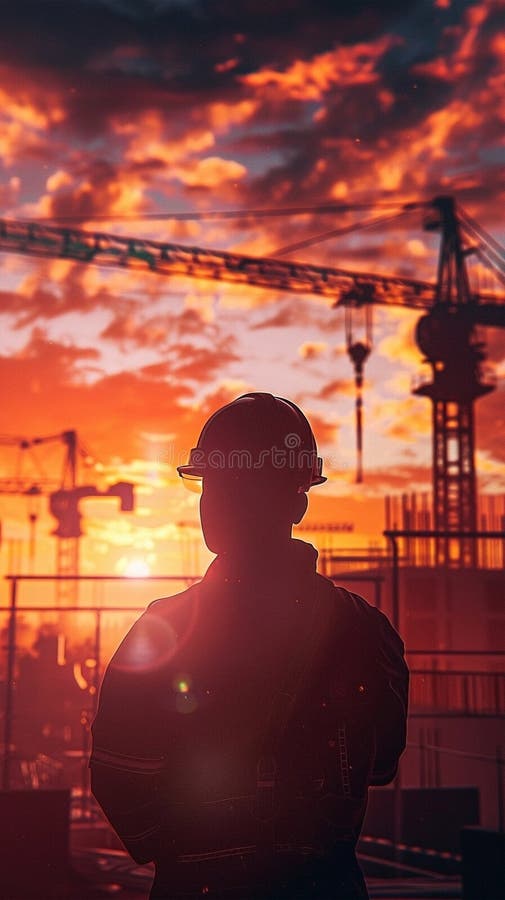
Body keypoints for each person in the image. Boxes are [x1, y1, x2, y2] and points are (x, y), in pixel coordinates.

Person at [90, 392, 408, 899]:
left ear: (296, 499)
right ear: (300, 498)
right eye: (214, 487)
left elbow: (119, 778)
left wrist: (189, 852)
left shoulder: (167, 629)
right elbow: (383, 764)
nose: (215, 503)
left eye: (233, 488)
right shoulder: (367, 630)